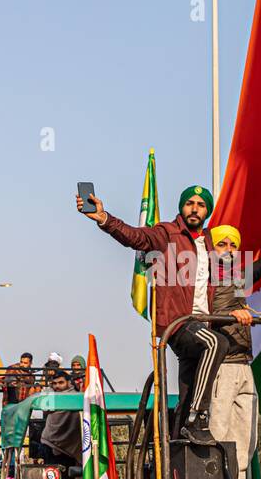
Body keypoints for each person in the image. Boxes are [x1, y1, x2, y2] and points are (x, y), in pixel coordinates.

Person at [78, 185, 228, 443]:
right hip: (179, 321)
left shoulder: (211, 243)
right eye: (190, 203)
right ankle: (197, 417)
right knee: (217, 343)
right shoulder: (168, 233)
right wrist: (104, 218)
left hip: (204, 323)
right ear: (182, 206)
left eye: (201, 205)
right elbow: (135, 237)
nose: (194, 208)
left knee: (190, 388)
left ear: (207, 211)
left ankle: (180, 446)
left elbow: (229, 278)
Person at [207, 225, 261, 479]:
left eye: (233, 245)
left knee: (245, 438)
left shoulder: (236, 279)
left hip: (243, 363)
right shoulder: (204, 278)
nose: (228, 250)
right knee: (218, 433)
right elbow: (211, 308)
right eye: (222, 244)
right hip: (222, 364)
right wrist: (234, 313)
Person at [37, 371, 81, 468]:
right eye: (55, 383)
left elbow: (44, 406)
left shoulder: (76, 397)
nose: (57, 386)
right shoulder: (76, 396)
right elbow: (44, 407)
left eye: (61, 383)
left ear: (69, 383)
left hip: (62, 446)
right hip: (50, 444)